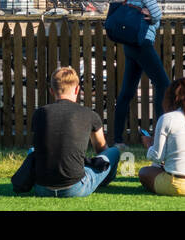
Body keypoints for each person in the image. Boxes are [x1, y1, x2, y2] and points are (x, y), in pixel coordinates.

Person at [29, 66, 123, 197]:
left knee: (32, 151)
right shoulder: (89, 114)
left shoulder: (39, 114)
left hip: (41, 188)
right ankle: (103, 182)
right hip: (74, 188)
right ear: (78, 89)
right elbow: (101, 149)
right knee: (114, 152)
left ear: (51, 91)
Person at [111, 0, 172, 143]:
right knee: (163, 84)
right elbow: (155, 12)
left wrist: (151, 13)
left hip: (131, 45)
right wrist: (155, 15)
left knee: (127, 92)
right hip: (142, 42)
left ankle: (117, 139)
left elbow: (148, 10)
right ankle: (160, 135)